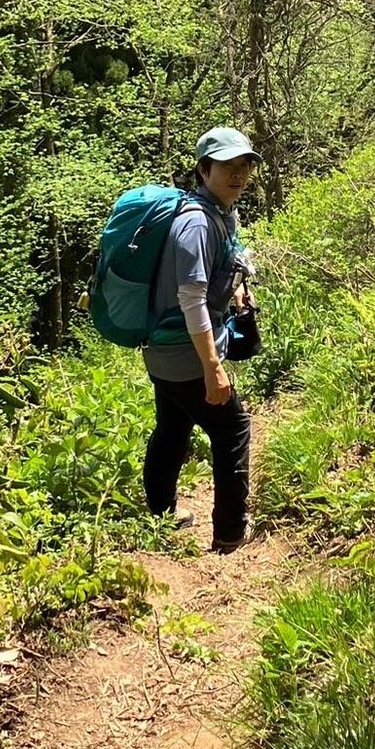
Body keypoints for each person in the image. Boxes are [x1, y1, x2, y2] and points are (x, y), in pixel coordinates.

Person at [141, 125, 259, 553]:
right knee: (233, 429)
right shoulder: (195, 223)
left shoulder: (220, 213)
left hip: (164, 351)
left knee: (173, 426)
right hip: (187, 354)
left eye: (244, 164)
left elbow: (208, 280)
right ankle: (230, 533)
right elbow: (190, 299)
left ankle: (160, 514)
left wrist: (236, 292)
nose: (238, 173)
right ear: (204, 170)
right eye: (227, 166)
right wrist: (212, 368)